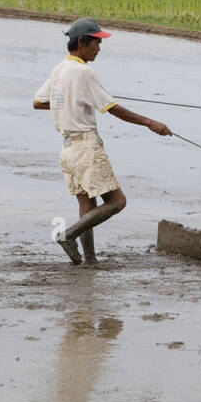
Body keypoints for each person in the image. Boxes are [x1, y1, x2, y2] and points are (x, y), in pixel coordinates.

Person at [33, 18, 171, 264]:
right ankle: (68, 235)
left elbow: (38, 102)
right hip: (86, 147)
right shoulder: (84, 72)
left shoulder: (59, 69)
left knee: (87, 204)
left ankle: (89, 259)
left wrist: (71, 100)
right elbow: (113, 109)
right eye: (95, 43)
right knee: (117, 202)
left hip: (67, 149)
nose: (99, 48)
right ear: (80, 43)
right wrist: (151, 123)